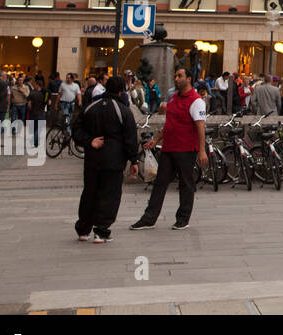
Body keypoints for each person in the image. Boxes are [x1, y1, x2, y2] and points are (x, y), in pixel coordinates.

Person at [131, 68, 208, 230]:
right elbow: (169, 125)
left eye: (180, 76)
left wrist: (202, 151)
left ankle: (183, 218)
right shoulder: (173, 99)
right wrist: (156, 140)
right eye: (175, 76)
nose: (176, 78)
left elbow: (200, 127)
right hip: (169, 148)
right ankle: (149, 218)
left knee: (186, 184)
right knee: (160, 183)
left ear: (188, 79)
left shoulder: (196, 100)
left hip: (186, 149)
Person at [72, 75, 139, 243]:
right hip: (114, 159)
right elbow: (130, 137)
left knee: (90, 192)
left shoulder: (90, 107)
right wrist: (134, 160)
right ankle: (101, 230)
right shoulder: (123, 110)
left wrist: (89, 141)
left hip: (93, 158)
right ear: (120, 91)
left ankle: (83, 229)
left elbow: (76, 130)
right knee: (110, 194)